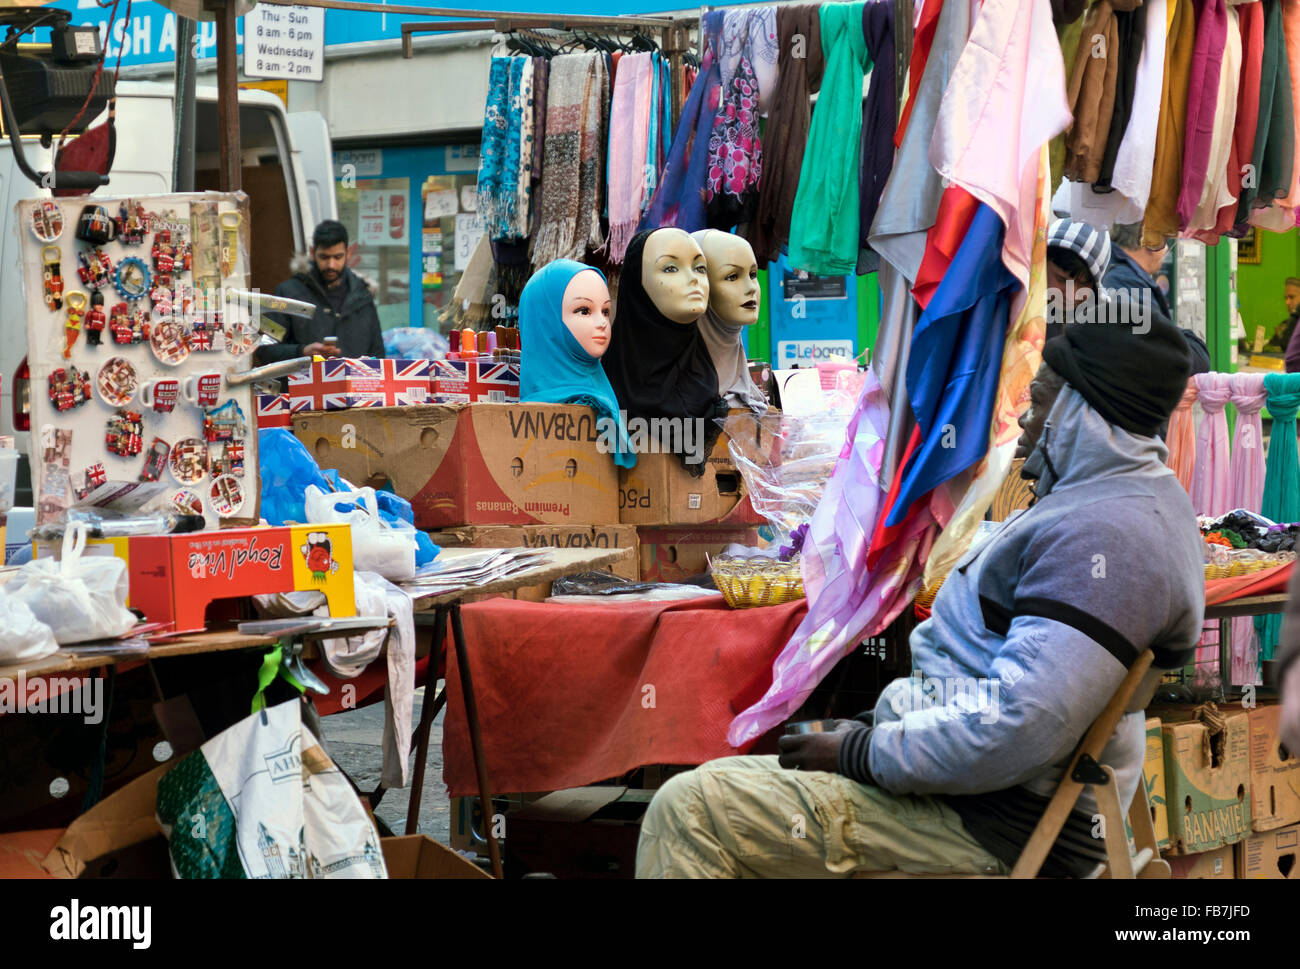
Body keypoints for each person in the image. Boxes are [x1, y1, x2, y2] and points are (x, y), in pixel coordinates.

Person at [635, 313, 1205, 879]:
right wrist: (868, 731)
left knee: (691, 809)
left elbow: (1022, 722)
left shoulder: (1108, 536)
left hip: (990, 824)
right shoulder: (1128, 503)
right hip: (975, 800)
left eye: (1043, 400)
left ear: (1084, 412)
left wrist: (861, 752)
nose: (1026, 419)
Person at [253, 220, 384, 366]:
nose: (331, 265)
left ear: (348, 253)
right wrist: (302, 352)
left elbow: (378, 355)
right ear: (312, 252)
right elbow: (264, 350)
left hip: (356, 387)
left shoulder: (363, 295)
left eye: (337, 257)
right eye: (324, 257)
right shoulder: (287, 293)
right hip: (303, 387)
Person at [1103, 222, 1211, 374]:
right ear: (1150, 241)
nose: (1166, 250)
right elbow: (1166, 356)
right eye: (1165, 241)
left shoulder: (1117, 272)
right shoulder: (1123, 281)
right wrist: (1190, 341)